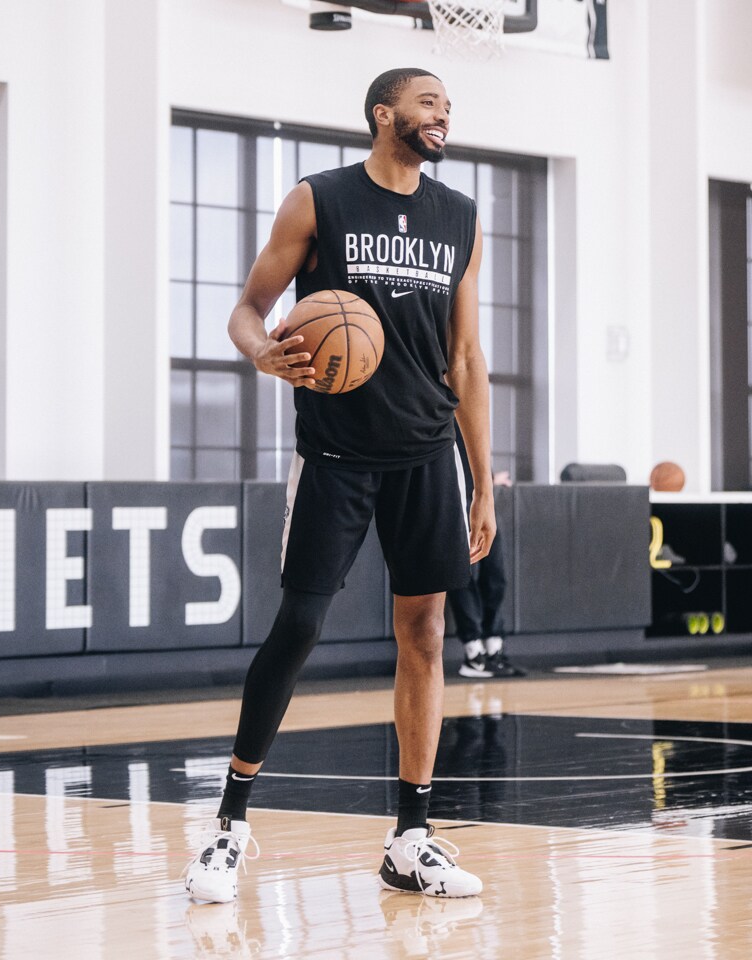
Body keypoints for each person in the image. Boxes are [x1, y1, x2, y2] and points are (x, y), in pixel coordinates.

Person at [185, 67, 495, 904]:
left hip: (427, 448)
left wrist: (482, 482)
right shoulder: (319, 199)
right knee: (301, 622)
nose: (443, 114)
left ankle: (411, 838)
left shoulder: (459, 217)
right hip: (336, 451)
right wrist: (261, 351)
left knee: (426, 633)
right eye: (429, 101)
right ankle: (229, 827)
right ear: (382, 113)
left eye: (447, 105)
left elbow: (466, 358)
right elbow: (249, 308)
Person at [449, 426, 524, 679]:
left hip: (482, 502)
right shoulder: (443, 411)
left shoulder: (472, 412)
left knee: (496, 576)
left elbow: (476, 454)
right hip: (458, 504)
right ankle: (474, 654)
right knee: (466, 578)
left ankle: (494, 648)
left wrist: (490, 481)